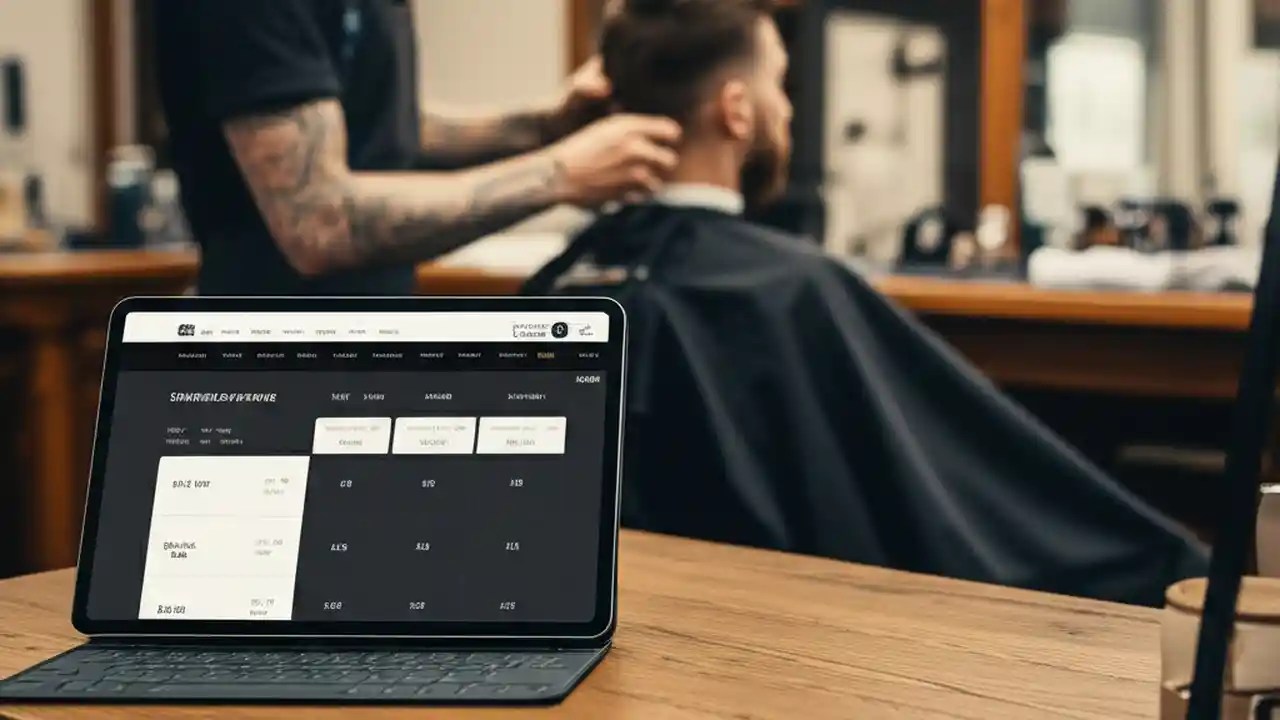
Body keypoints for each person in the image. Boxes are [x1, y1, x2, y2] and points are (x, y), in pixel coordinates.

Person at [523, 0, 1206, 605]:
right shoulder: (796, 289)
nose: (785, 107)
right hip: (796, 622)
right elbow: (954, 499)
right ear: (736, 109)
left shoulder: (561, 277)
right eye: (776, 83)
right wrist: (1181, 566)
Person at [154, 0, 682, 295]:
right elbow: (317, 222)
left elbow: (379, 129)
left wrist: (541, 127)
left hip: (371, 348)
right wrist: (559, 174)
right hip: (267, 372)